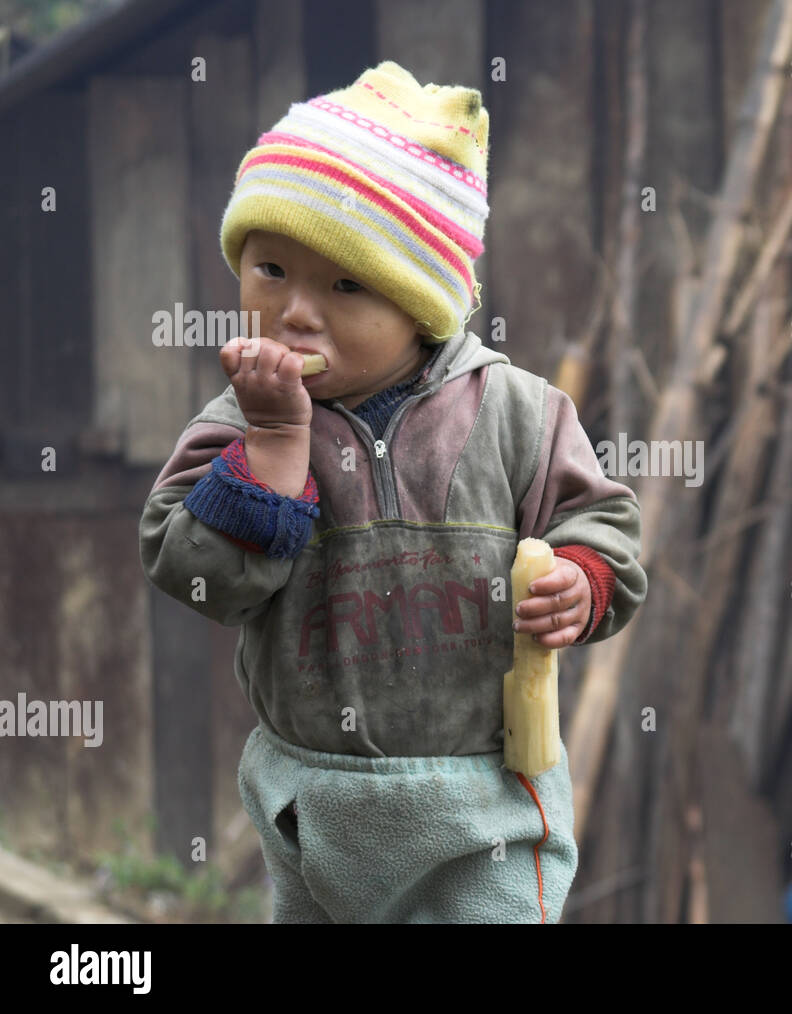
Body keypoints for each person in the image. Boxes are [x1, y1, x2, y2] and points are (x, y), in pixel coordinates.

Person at [138, 61, 647, 923]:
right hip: (313, 802)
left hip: (480, 805)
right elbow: (195, 576)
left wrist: (583, 581)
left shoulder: (517, 413)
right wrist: (272, 447)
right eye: (269, 269)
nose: (295, 312)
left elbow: (602, 523)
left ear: (422, 305)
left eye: (344, 284)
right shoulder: (235, 421)